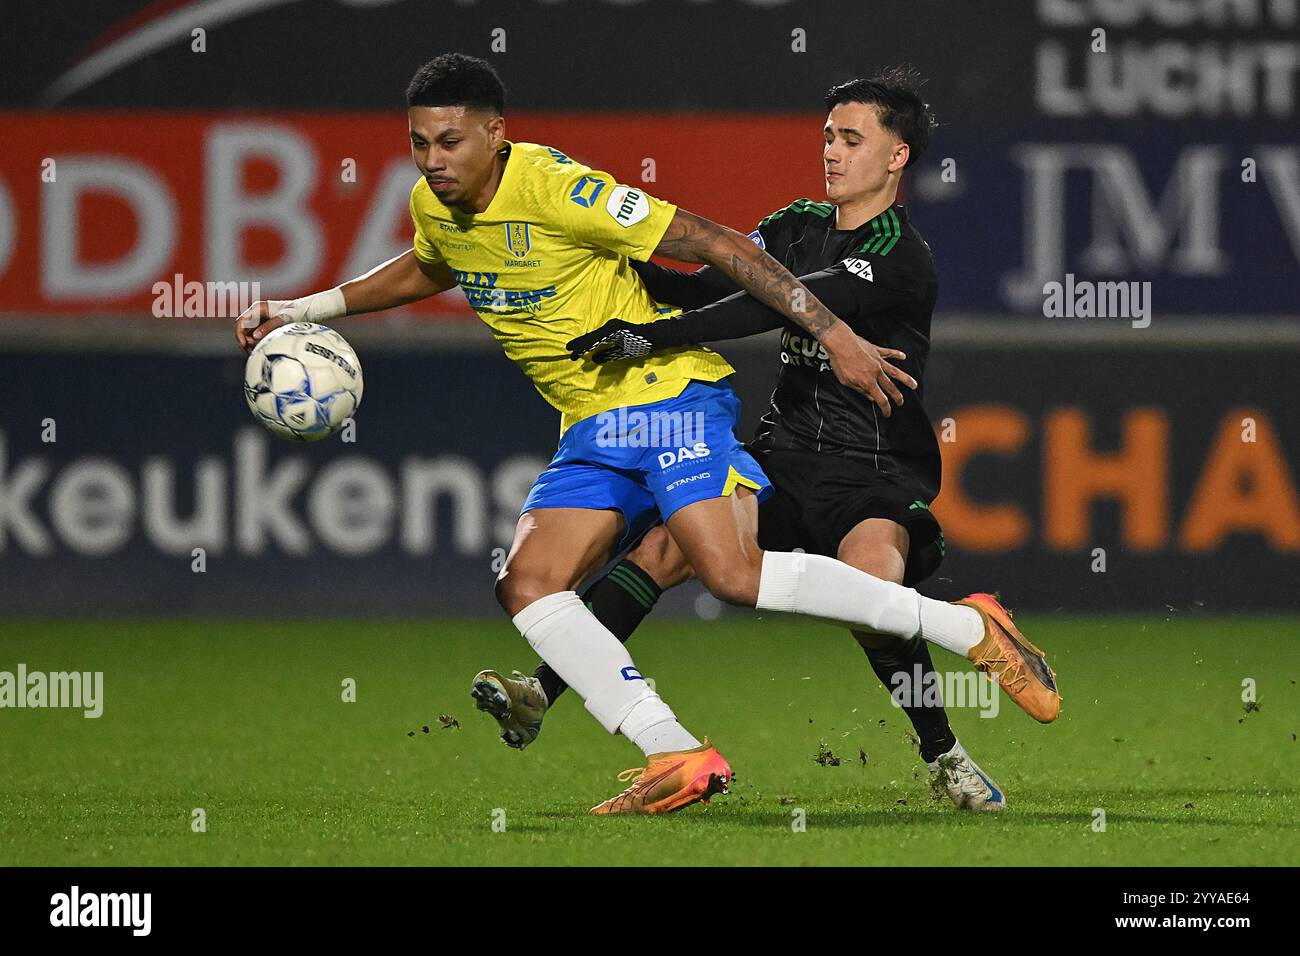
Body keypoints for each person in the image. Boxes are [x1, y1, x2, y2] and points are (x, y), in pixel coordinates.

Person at [236, 54, 1057, 816]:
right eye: (419, 143)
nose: (431, 159)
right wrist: (307, 307)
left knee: (766, 578)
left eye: (448, 142)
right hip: (692, 432)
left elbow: (732, 270)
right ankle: (662, 746)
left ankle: (957, 688)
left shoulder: (896, 252)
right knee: (540, 581)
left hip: (835, 451)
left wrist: (775, 331)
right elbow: (446, 260)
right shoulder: (794, 223)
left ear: (495, 133)